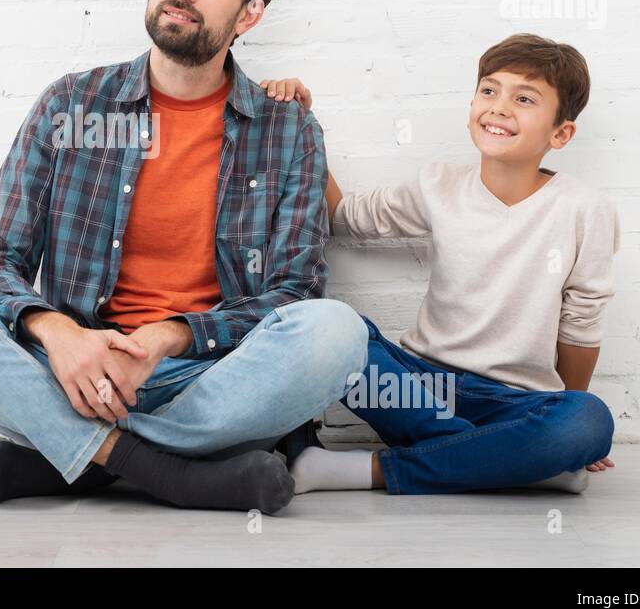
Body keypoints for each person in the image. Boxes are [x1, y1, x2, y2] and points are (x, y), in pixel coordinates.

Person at [0, 0, 367, 515]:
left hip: (206, 378)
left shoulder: (287, 128)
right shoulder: (74, 103)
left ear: (249, 13)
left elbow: (294, 293)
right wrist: (60, 335)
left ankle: (78, 459)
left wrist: (170, 337)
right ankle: (171, 472)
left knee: (338, 333)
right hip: (74, 373)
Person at [259, 33, 619, 495]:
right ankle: (517, 463)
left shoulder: (583, 209)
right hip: (419, 393)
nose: (500, 107)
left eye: (524, 98)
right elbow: (343, 218)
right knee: (331, 328)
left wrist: (569, 415)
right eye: (489, 90)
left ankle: (367, 470)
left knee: (587, 421)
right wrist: (302, 121)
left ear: (560, 133)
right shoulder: (439, 184)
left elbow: (582, 323)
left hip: (517, 404)